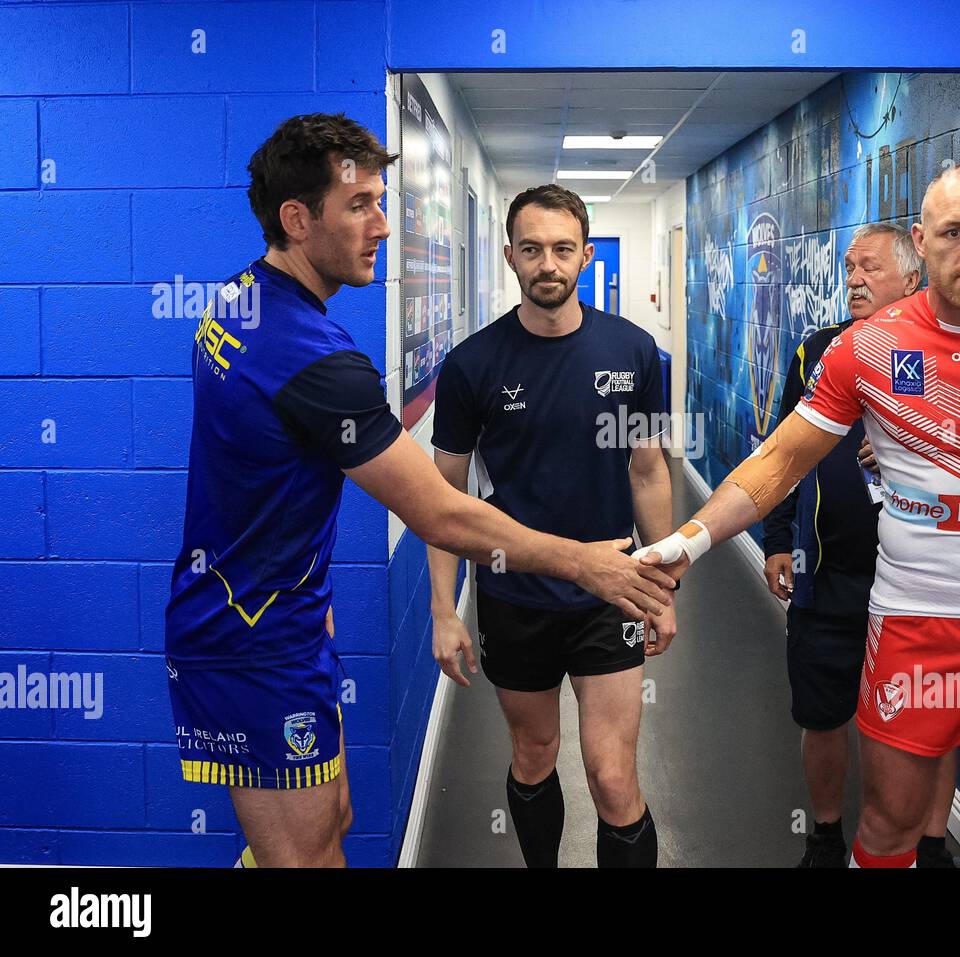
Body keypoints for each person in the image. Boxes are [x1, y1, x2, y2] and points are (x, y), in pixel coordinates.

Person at [164, 117, 672, 869]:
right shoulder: (314, 356)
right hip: (250, 635)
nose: (382, 225)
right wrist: (580, 563)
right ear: (297, 219)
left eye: (381, 202)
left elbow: (648, 466)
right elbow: (438, 507)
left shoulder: (242, 301)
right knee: (303, 854)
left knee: (329, 822)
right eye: (360, 205)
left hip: (281, 617)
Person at [638, 163, 960, 868]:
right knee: (890, 826)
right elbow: (781, 460)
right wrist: (687, 541)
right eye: (954, 232)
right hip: (912, 621)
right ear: (922, 241)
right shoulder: (866, 347)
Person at [427, 184, 674, 868]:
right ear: (509, 256)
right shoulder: (473, 364)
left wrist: (663, 584)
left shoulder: (632, 350)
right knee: (534, 754)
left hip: (611, 590)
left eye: (563, 249)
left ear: (586, 255)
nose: (548, 264)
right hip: (515, 594)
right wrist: (443, 609)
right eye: (531, 249)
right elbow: (443, 499)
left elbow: (648, 470)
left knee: (613, 775)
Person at [764, 222, 957, 868]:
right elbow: (782, 456)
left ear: (912, 276)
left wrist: (917, 449)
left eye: (869, 267)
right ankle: (825, 837)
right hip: (827, 576)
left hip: (924, 580)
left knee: (932, 718)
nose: (853, 279)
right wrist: (776, 539)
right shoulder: (817, 351)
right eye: (849, 268)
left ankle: (931, 844)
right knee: (822, 714)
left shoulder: (950, 356)